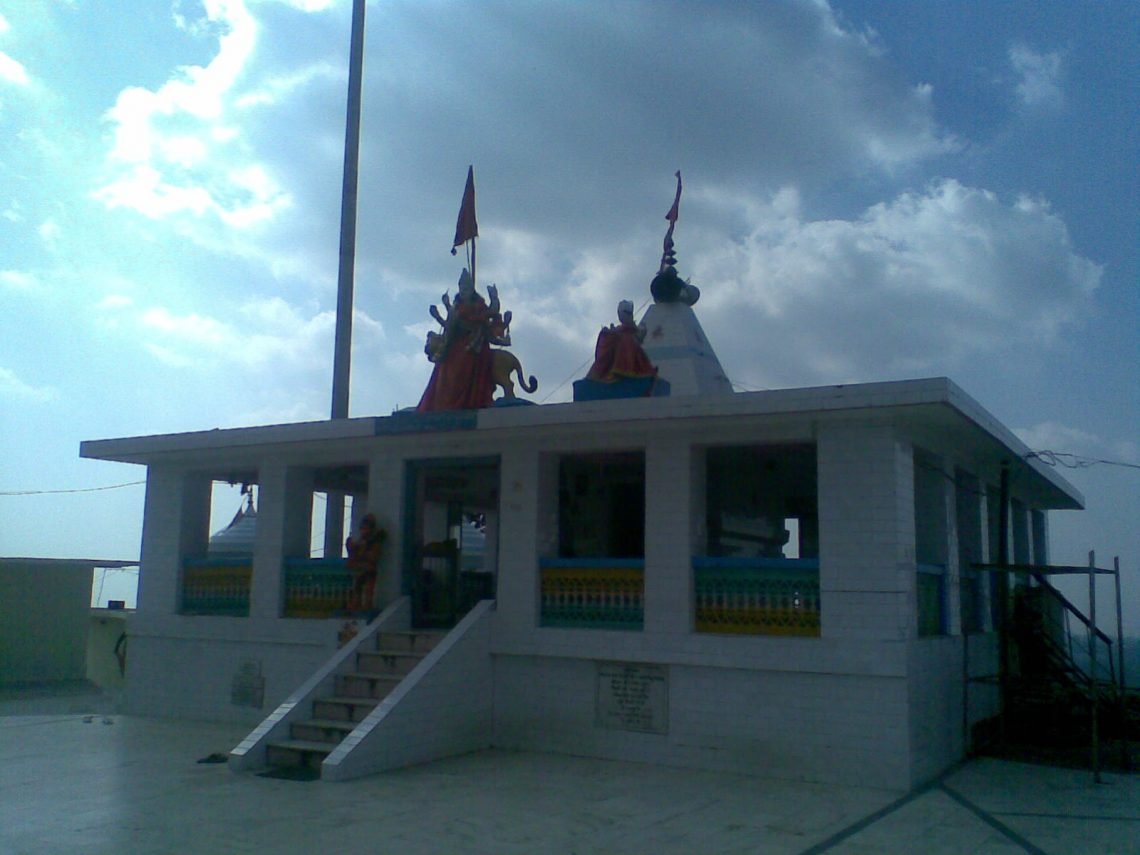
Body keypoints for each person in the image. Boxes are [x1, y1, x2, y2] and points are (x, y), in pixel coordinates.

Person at [418, 269, 502, 411]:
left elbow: (492, 312)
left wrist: (494, 297)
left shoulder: (479, 306)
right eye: (462, 288)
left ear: (472, 289)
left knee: (466, 363)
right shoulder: (456, 308)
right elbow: (450, 327)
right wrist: (441, 312)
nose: (464, 291)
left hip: (475, 345)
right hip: (456, 345)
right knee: (447, 371)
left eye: (467, 288)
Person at [586, 300, 657, 383]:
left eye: (628, 313)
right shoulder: (619, 331)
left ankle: (620, 372)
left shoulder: (632, 332)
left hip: (630, 354)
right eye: (624, 312)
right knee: (606, 338)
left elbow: (637, 338)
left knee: (625, 341)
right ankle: (602, 373)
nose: (626, 315)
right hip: (619, 350)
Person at [345, 513, 385, 613]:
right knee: (357, 588)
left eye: (366, 529)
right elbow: (353, 555)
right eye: (363, 529)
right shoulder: (360, 542)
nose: (364, 531)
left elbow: (373, 556)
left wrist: (364, 551)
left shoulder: (374, 542)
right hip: (360, 569)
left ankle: (366, 605)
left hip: (369, 569)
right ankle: (355, 604)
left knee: (368, 590)